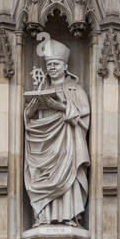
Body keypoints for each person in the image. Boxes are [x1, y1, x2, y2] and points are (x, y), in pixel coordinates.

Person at [23, 33, 91, 227]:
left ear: (65, 66)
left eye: (56, 64)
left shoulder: (75, 89)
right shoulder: (41, 87)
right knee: (41, 174)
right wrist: (31, 109)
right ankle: (44, 216)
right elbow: (28, 119)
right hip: (44, 144)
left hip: (67, 144)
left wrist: (58, 106)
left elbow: (83, 114)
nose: (52, 68)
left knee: (67, 177)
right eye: (49, 65)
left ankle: (69, 215)